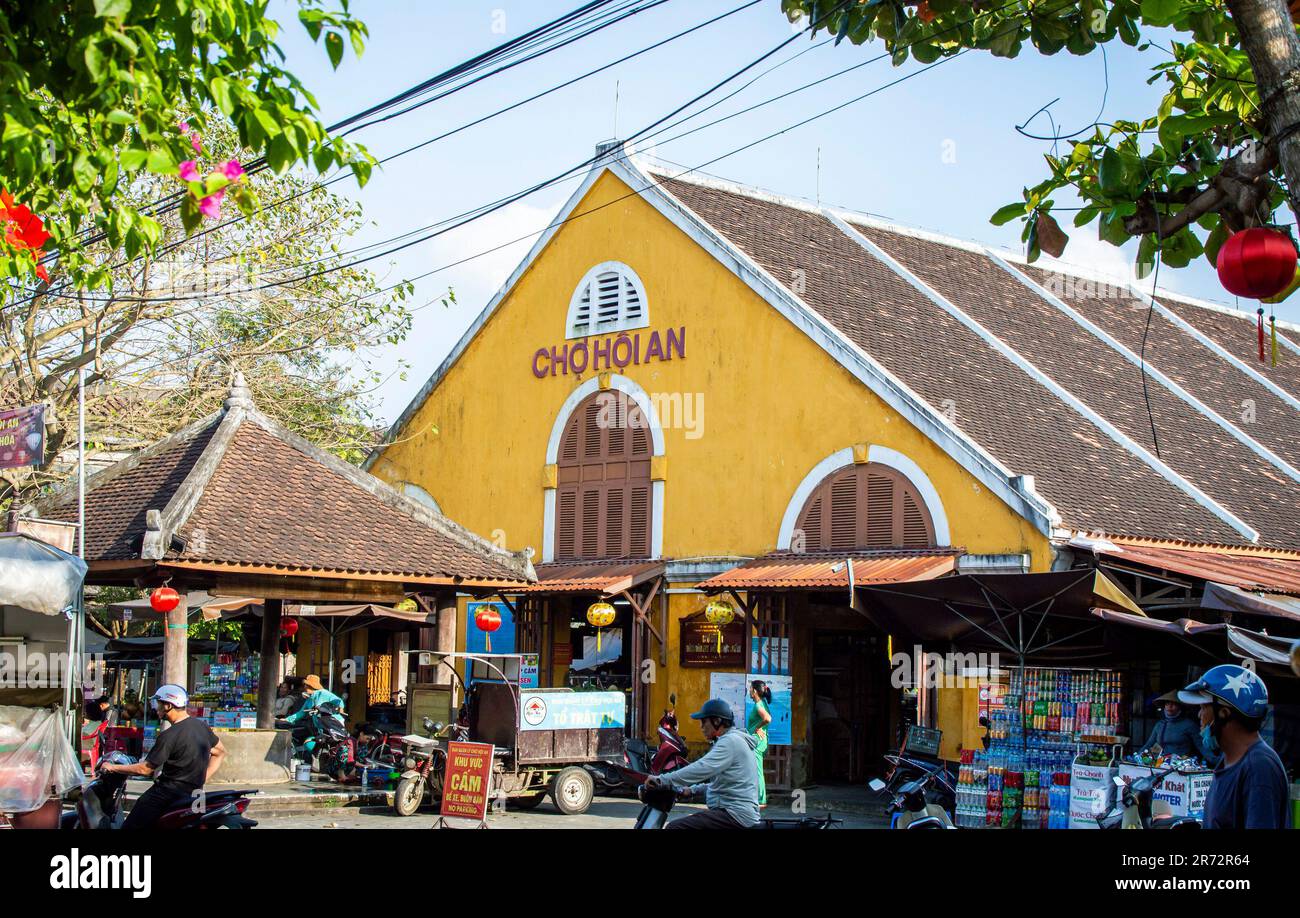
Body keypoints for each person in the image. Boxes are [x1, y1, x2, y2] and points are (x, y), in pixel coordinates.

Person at [1179, 664, 1289, 829]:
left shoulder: (1258, 768)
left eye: (1203, 707)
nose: (1199, 715)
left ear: (1224, 713)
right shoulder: (1228, 760)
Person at [103, 684, 226, 829]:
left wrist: (113, 767)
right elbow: (220, 752)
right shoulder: (202, 727)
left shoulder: (169, 736)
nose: (156, 708)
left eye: (158, 703)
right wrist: (202, 778)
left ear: (168, 705)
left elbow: (145, 769)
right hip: (196, 793)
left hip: (167, 794)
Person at [647, 698, 759, 829]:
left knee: (675, 827)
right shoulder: (732, 740)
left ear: (717, 721)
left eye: (704, 722)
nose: (701, 727)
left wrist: (661, 780)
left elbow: (701, 768)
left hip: (735, 814)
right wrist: (691, 790)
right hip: (733, 813)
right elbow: (720, 784)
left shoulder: (730, 741)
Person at [1138, 691, 1213, 761]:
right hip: (1162, 764)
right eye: (1167, 704)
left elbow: (1201, 746)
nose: (1169, 706)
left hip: (1182, 764)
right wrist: (1138, 756)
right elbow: (1149, 744)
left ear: (1180, 707)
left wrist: (1215, 760)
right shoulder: (1160, 725)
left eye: (1173, 704)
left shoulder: (1189, 725)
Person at [747, 680, 772, 807]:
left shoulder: (758, 705)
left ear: (755, 691)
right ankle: (755, 798)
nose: (749, 691)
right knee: (754, 770)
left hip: (756, 742)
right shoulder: (762, 702)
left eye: (750, 688)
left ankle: (761, 800)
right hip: (759, 741)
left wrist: (758, 727)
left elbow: (767, 719)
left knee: (757, 771)